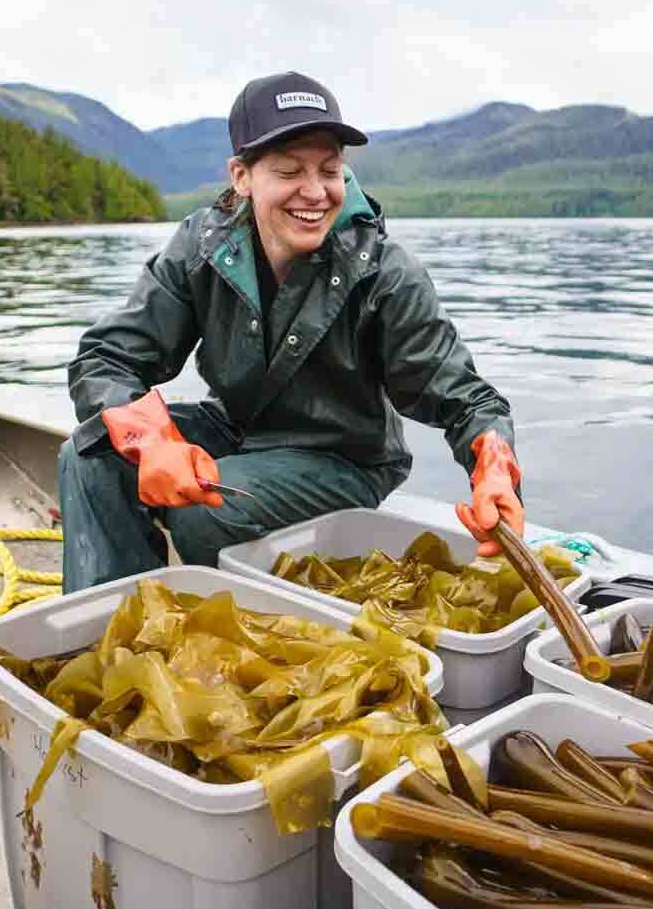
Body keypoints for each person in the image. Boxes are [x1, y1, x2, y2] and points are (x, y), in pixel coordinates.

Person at [58, 72, 523, 592]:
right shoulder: (200, 246)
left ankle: (225, 614)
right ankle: (108, 619)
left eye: (330, 170)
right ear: (242, 176)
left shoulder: (385, 272)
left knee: (205, 512)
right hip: (243, 433)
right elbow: (106, 357)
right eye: (288, 172)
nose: (315, 192)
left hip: (345, 461)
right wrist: (153, 442)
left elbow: (463, 396)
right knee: (89, 451)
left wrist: (494, 469)